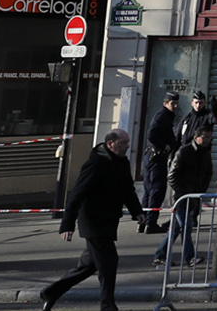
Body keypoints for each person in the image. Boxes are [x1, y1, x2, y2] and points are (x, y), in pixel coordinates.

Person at [41, 128, 143, 311]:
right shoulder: (96, 164)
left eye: (128, 143)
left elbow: (128, 189)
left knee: (88, 265)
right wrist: (67, 224)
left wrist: (138, 212)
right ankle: (108, 306)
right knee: (108, 263)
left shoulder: (122, 162)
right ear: (110, 144)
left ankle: (52, 291)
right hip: (93, 221)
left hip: (108, 220)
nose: (127, 147)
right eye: (123, 143)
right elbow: (77, 195)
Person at [153, 127, 212, 269]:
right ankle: (190, 257)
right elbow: (172, 176)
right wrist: (182, 193)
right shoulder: (184, 152)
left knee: (176, 228)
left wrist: (200, 191)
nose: (207, 141)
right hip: (181, 197)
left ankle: (160, 255)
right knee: (186, 226)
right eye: (204, 137)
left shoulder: (205, 153)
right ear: (196, 138)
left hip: (193, 196)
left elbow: (208, 173)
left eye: (209, 138)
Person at [140, 91, 179, 233]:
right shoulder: (162, 116)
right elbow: (152, 134)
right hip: (155, 157)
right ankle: (150, 223)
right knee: (156, 189)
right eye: (172, 103)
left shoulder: (166, 116)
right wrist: (165, 145)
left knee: (149, 190)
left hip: (152, 156)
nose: (174, 106)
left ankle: (143, 221)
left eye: (176, 103)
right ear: (165, 103)